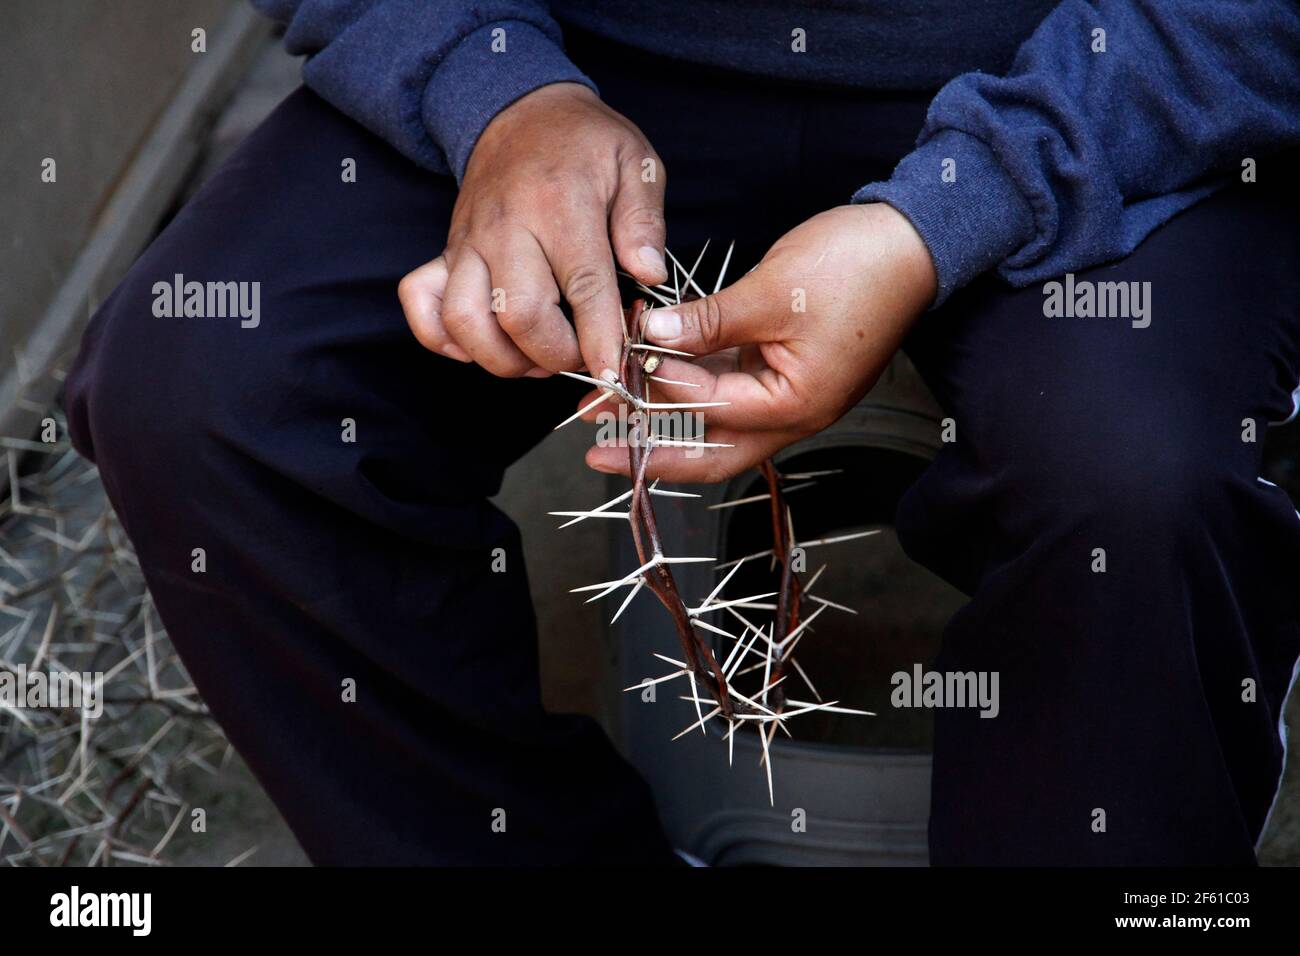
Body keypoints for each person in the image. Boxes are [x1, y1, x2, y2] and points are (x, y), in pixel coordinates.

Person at [66, 0, 1300, 865]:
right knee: (201, 394)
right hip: (579, 51)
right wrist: (493, 89)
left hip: (1095, 58)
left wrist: (949, 211)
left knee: (1135, 474)